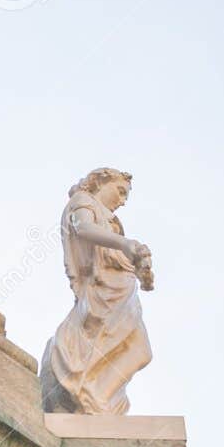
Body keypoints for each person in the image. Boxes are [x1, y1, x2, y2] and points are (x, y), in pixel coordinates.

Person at [40, 168, 153, 415]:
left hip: (121, 290)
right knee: (135, 348)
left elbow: (114, 255)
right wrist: (124, 243)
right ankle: (91, 395)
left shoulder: (110, 220)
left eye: (125, 197)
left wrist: (141, 267)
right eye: (120, 192)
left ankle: (98, 395)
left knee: (141, 351)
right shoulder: (83, 202)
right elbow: (84, 230)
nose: (122, 201)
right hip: (104, 291)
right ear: (101, 181)